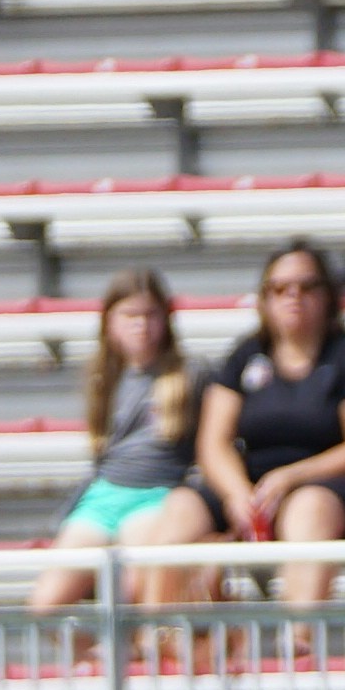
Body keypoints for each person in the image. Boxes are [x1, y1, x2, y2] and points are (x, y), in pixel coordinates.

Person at [196, 240, 345, 609]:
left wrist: (292, 476)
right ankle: (153, 643)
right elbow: (214, 443)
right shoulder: (245, 355)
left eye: (307, 287)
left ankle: (298, 641)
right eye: (280, 289)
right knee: (179, 510)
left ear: (328, 296)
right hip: (257, 481)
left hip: (341, 483)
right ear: (264, 299)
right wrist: (236, 492)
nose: (294, 297)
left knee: (308, 508)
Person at [32, 260, 220, 617]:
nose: (141, 325)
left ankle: (133, 655)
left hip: (156, 493)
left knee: (133, 594)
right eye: (129, 315)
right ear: (110, 323)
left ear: (166, 320)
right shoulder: (102, 378)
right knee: (46, 604)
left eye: (150, 315)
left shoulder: (192, 375)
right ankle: (104, 658)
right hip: (105, 494)